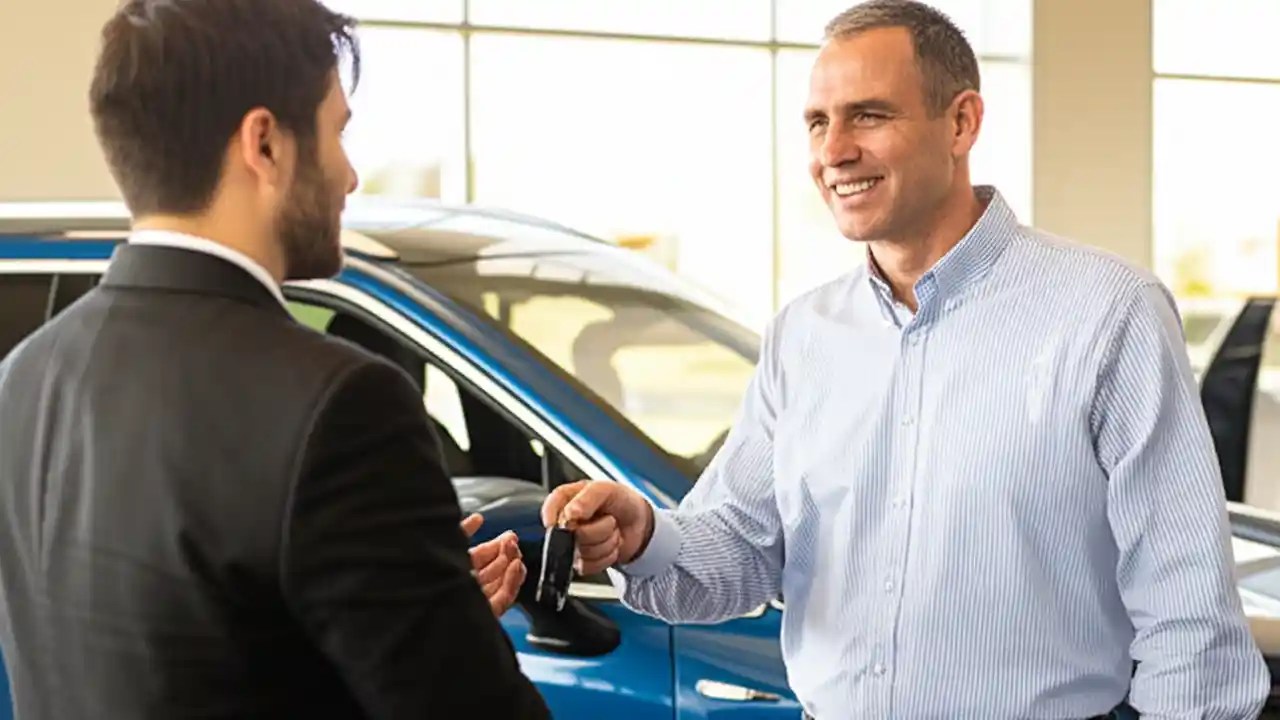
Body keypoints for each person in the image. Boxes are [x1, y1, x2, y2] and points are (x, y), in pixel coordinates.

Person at [541, 1, 1269, 717]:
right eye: (818, 122)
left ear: (961, 122)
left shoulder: (1109, 312)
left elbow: (1189, 621)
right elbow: (741, 547)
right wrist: (644, 536)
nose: (834, 152)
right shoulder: (804, 336)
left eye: (868, 115)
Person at [0, 1, 549, 718]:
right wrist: (455, 643)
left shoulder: (22, 378)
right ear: (264, 144)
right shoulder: (343, 404)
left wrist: (414, 617)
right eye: (337, 132)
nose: (350, 176)